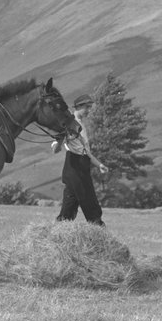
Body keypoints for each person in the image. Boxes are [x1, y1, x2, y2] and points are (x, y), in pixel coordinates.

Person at [53, 94, 108, 225]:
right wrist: (59, 141)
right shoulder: (66, 124)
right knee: (89, 200)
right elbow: (55, 149)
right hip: (73, 165)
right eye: (87, 107)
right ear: (78, 107)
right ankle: (97, 226)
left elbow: (86, 151)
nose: (89, 110)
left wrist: (99, 164)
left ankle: (61, 228)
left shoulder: (82, 124)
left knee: (70, 202)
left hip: (83, 166)